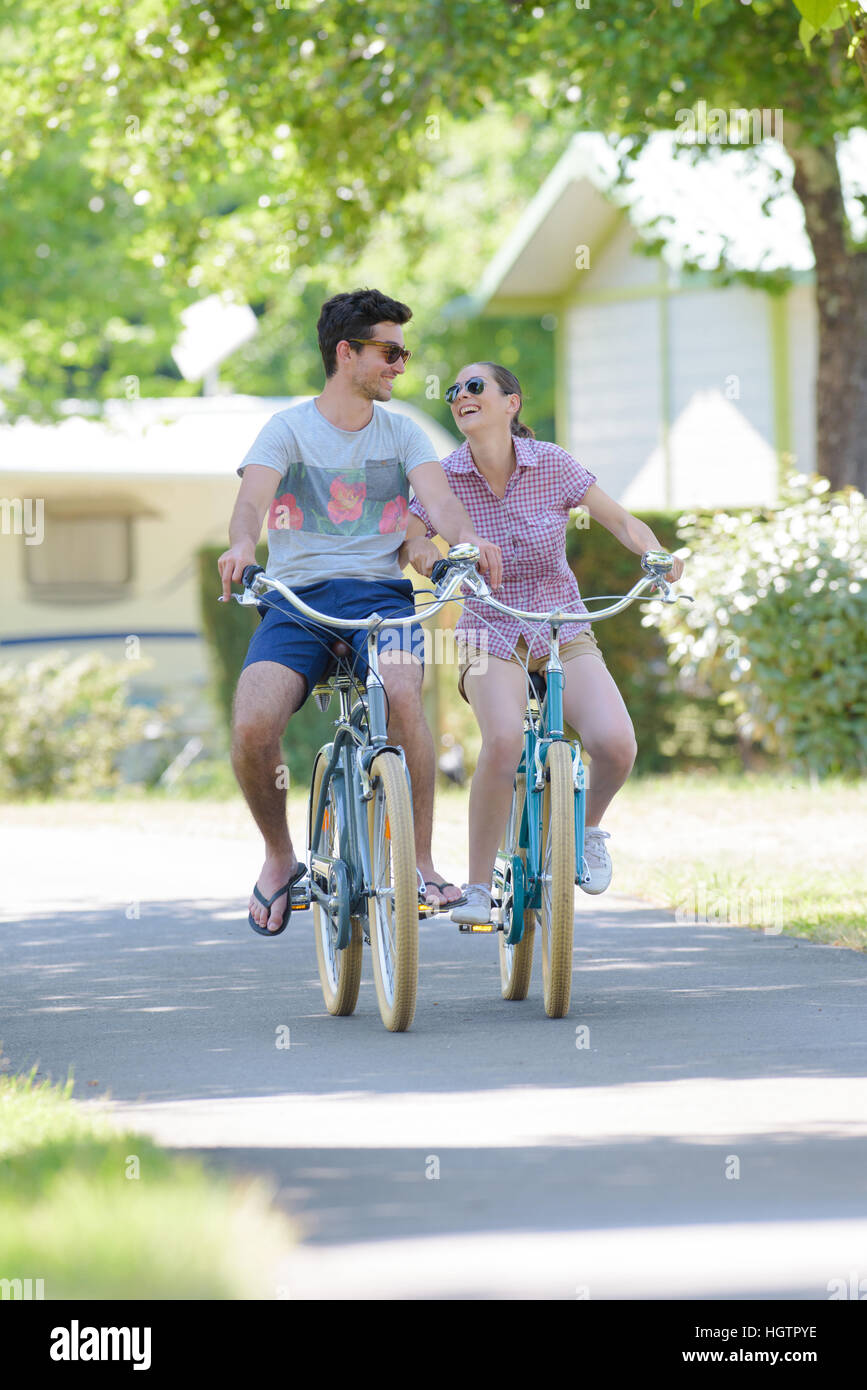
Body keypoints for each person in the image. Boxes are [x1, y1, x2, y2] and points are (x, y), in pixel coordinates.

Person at [218, 293, 503, 935]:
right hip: (297, 599)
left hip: (380, 596)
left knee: (403, 691)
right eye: (390, 351)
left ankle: (423, 864)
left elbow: (441, 502)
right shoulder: (286, 429)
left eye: (404, 352)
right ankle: (278, 857)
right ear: (346, 353)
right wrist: (242, 544)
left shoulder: (404, 432)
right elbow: (251, 502)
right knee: (252, 721)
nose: (401, 364)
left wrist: (463, 545)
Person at [399, 361, 684, 926]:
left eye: (475, 386)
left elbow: (622, 522)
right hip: (488, 628)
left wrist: (656, 556)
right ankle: (479, 886)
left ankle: (585, 834)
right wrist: (439, 562)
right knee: (503, 740)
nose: (461, 396)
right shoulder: (443, 474)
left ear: (512, 403)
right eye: (454, 391)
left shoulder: (551, 464)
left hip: (561, 625)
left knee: (616, 743)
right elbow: (412, 540)